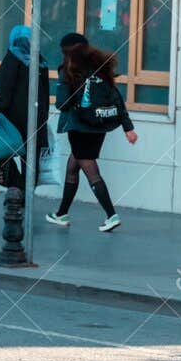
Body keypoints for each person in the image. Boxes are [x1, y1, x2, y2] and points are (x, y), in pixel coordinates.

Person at [46, 32, 138, 232]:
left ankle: (111, 215)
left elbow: (62, 104)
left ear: (66, 52)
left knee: (90, 170)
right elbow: (116, 98)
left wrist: (69, 92)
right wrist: (128, 127)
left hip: (79, 128)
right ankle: (62, 213)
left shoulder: (69, 71)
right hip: (99, 125)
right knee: (73, 166)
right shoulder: (100, 67)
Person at [0, 24, 51, 191]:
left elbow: (6, 89)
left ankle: (18, 190)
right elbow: (45, 94)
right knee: (31, 162)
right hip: (36, 119)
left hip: (15, 120)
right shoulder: (40, 61)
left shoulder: (11, 59)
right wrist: (43, 117)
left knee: (2, 154)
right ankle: (26, 194)